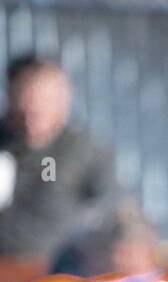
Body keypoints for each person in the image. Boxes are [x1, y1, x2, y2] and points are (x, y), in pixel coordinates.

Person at [0, 56, 117, 261]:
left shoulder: (84, 151)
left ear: (62, 103)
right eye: (23, 112)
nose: (30, 124)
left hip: (62, 275)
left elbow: (108, 206)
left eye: (39, 112)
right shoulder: (5, 143)